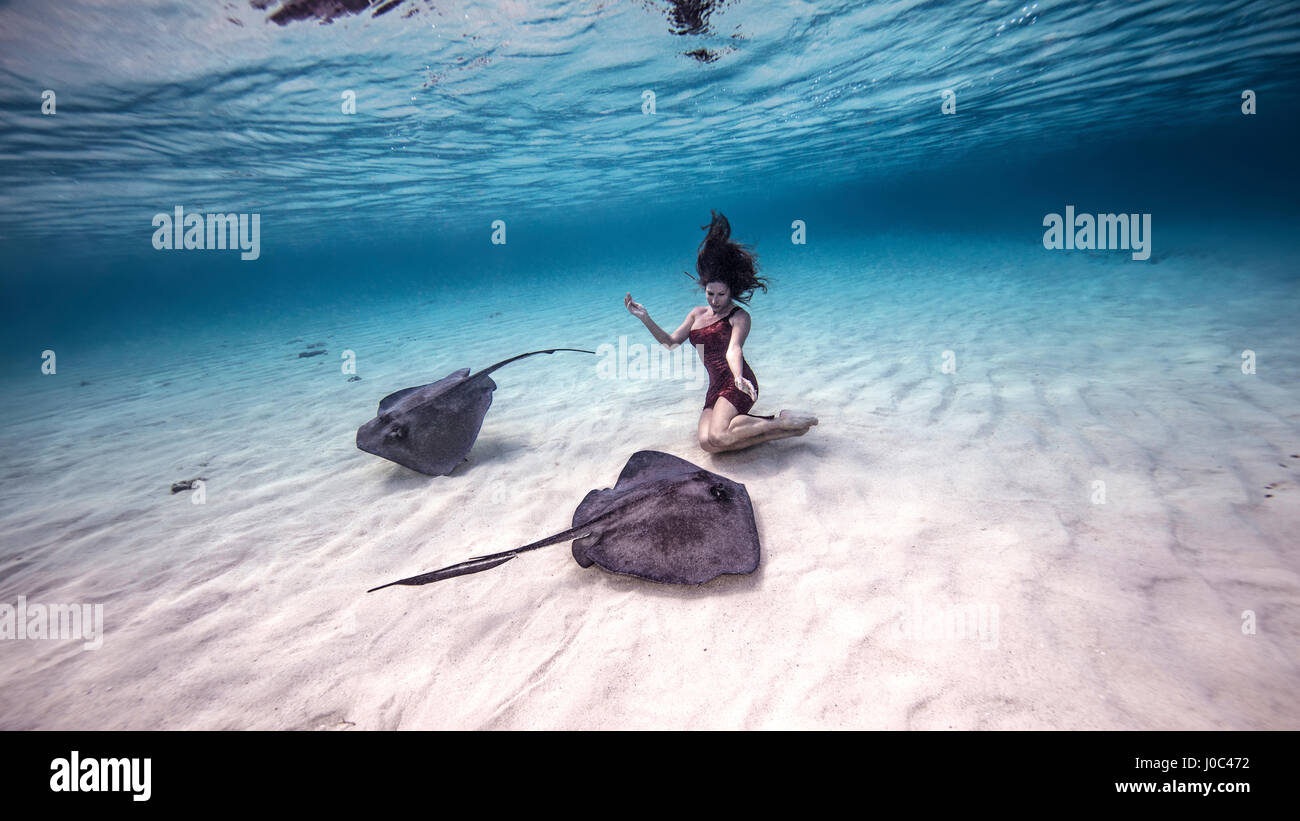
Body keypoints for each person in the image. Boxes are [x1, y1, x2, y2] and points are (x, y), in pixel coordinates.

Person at [625, 210, 818, 453]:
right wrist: (645, 318)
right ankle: (775, 425)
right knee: (709, 444)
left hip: (738, 382)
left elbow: (733, 350)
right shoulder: (696, 314)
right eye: (710, 294)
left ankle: (782, 421)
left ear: (731, 292)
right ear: (704, 289)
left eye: (721, 295)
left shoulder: (739, 317)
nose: (715, 300)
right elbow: (671, 343)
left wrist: (738, 377)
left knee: (719, 434)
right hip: (715, 386)